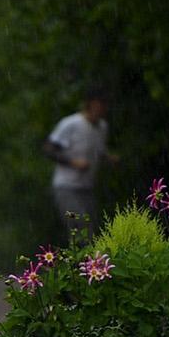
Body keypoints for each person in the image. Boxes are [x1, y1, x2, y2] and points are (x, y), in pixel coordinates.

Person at [42, 86, 119, 237]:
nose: (103, 108)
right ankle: (84, 259)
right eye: (100, 103)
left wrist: (109, 158)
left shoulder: (102, 127)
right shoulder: (71, 124)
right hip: (66, 188)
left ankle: (85, 259)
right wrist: (73, 162)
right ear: (90, 103)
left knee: (92, 227)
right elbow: (48, 149)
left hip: (86, 188)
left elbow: (97, 150)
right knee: (80, 223)